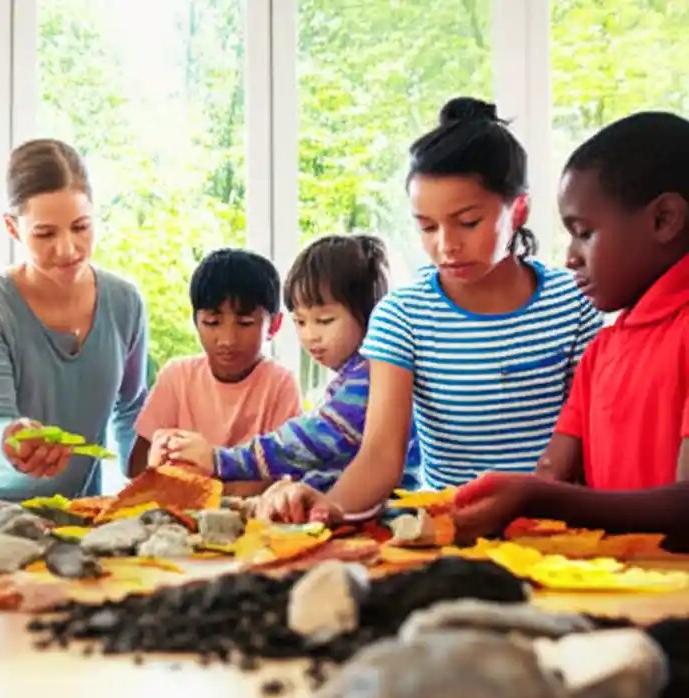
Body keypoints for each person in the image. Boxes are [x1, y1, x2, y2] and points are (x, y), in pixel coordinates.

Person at [256, 97, 603, 523]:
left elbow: (587, 445)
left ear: (519, 210)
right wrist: (328, 510)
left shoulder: (575, 303)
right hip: (447, 531)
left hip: (555, 530)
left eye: (468, 222)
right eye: (426, 226)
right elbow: (381, 456)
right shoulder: (402, 316)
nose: (446, 244)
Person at [455, 111, 689, 543]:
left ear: (664, 220)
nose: (570, 257)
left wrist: (534, 496)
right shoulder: (603, 350)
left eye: (584, 232)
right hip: (612, 586)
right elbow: (552, 472)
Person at [0, 139, 149, 501]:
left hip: (75, 508)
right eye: (45, 233)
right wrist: (12, 439)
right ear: (13, 228)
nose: (67, 248)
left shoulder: (125, 302)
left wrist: (152, 473)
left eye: (81, 227)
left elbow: (130, 409)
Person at [152, 235, 420, 497]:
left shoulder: (368, 377)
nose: (310, 335)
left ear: (372, 314)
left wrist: (219, 459)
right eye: (301, 322)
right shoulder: (352, 376)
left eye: (324, 321)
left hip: (388, 512)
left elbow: (309, 442)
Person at [132, 248, 300, 478]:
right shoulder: (177, 376)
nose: (227, 340)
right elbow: (137, 468)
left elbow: (286, 475)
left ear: (274, 325)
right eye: (212, 322)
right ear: (195, 321)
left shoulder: (280, 384)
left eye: (245, 323)